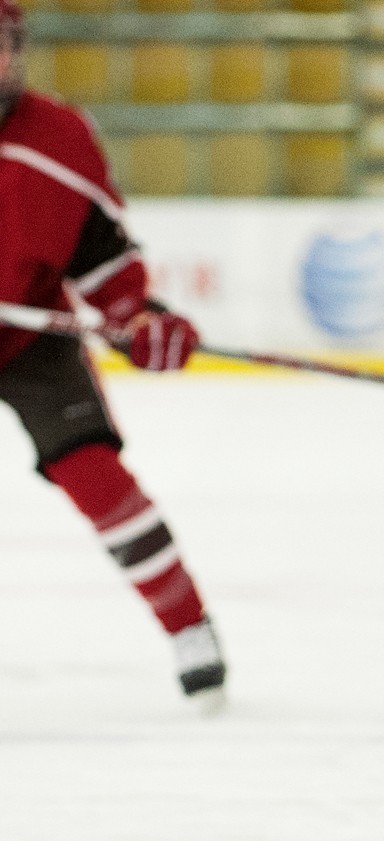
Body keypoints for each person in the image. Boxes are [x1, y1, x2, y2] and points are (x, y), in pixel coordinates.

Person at [0, 0, 225, 707]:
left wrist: (137, 315)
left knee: (94, 473)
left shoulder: (59, 137)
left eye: (4, 43)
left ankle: (190, 626)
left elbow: (102, 259)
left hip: (31, 333)